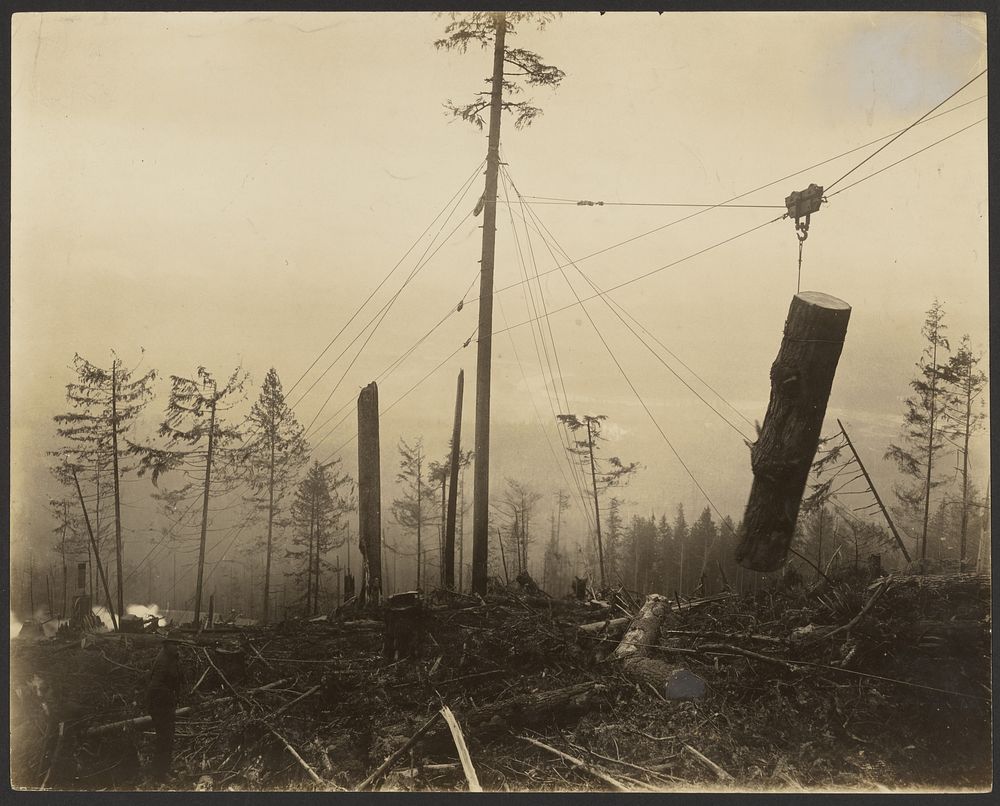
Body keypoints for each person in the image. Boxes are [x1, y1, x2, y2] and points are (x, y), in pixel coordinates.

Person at [147, 637, 184, 782]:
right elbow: (155, 686)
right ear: (167, 644)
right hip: (159, 705)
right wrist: (170, 697)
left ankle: (165, 768)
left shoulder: (171, 658)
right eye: (175, 643)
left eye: (178, 644)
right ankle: (159, 774)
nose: (177, 647)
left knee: (168, 737)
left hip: (166, 705)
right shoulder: (163, 661)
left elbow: (176, 679)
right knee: (164, 738)